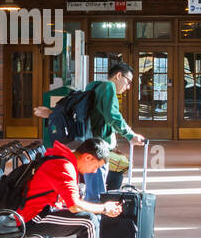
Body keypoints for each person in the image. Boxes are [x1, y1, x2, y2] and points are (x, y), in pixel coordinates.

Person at [21, 137, 125, 238]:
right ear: (88, 157)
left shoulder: (64, 159)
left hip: (39, 211)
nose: (95, 171)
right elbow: (74, 206)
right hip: (33, 217)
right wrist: (104, 208)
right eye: (96, 166)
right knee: (89, 221)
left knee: (87, 219)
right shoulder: (64, 166)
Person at [34, 60, 146, 201]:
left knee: (94, 187)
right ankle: (95, 219)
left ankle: (94, 215)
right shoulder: (108, 87)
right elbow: (112, 116)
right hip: (98, 147)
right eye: (128, 81)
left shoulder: (94, 87)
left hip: (89, 143)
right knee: (96, 192)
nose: (128, 87)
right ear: (118, 75)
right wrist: (130, 135)